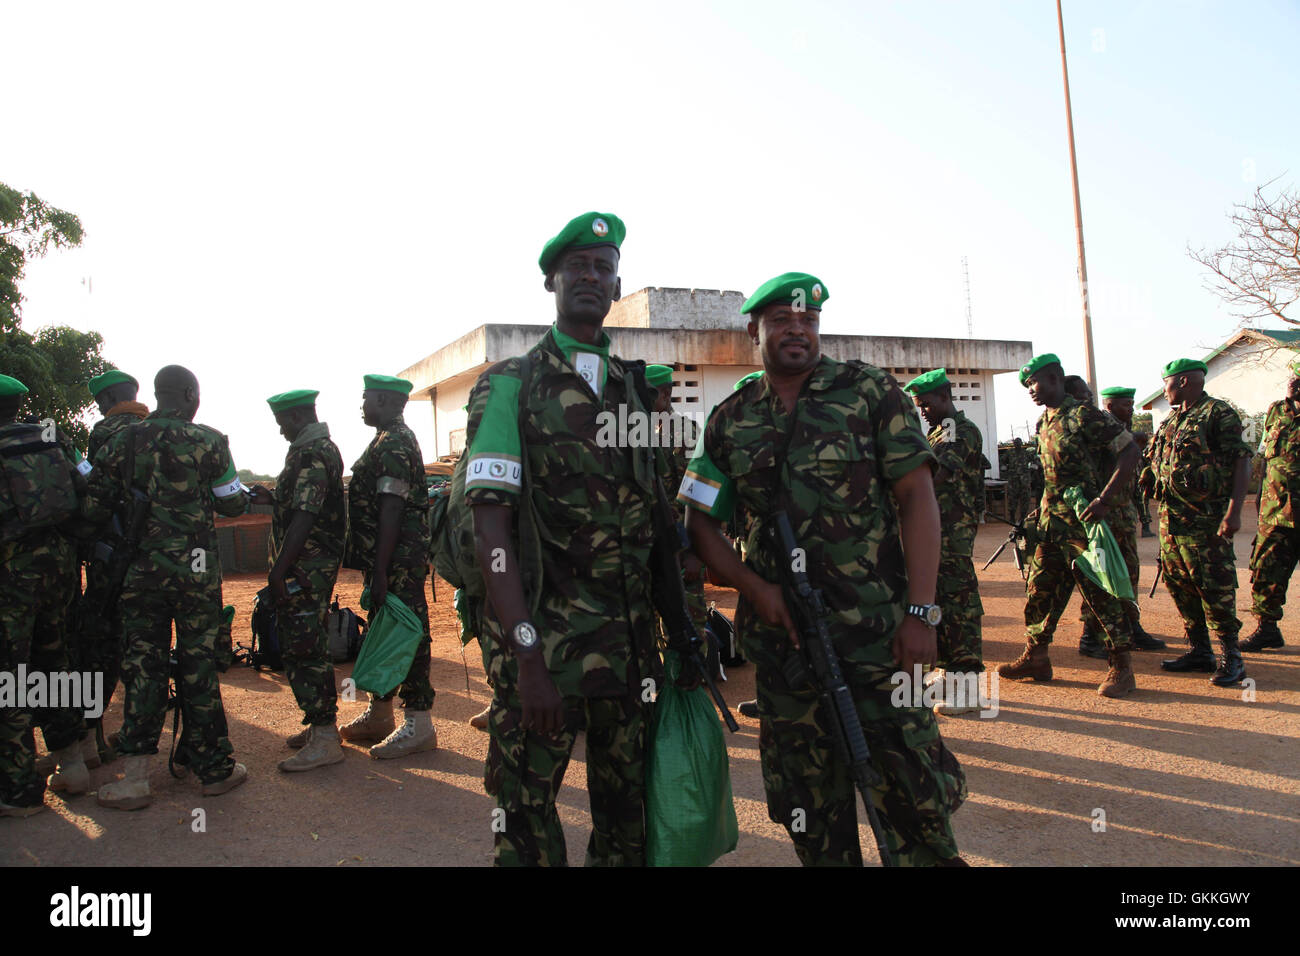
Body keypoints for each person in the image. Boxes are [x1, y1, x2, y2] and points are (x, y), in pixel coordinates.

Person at [681, 271, 966, 866]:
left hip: (879, 636)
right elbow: (700, 524)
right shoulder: (729, 419)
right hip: (787, 645)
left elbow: (918, 499)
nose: (797, 332)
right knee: (808, 803)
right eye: (782, 321)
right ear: (754, 329)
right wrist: (755, 588)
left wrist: (921, 611)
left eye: (808, 321)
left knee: (913, 794)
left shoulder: (868, 391)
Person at [467, 211, 677, 867]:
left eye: (603, 267)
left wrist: (683, 633)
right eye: (577, 266)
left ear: (616, 287)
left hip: (630, 652)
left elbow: (658, 524)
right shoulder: (510, 385)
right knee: (525, 821)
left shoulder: (635, 393)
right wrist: (527, 656)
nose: (591, 276)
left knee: (628, 823)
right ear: (552, 281)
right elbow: (490, 524)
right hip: (545, 650)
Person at [88, 365, 249, 809]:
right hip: (196, 574)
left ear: (158, 396)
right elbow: (233, 503)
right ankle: (215, 769)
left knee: (144, 668)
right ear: (190, 394)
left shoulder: (122, 440)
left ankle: (135, 777)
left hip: (140, 576)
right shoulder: (211, 441)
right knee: (198, 666)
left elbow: (95, 505)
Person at [998, 354, 1140, 698]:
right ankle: (1037, 656)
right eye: (1027, 385)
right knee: (1040, 591)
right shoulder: (1044, 420)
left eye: (1034, 382)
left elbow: (1130, 451)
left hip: (1082, 524)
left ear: (1055, 378)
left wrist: (1104, 500)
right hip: (1050, 524)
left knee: (1099, 594)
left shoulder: (1084, 414)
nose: (1031, 389)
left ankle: (1121, 668)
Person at [0, 374, 91, 816]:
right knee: (55, 661)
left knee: (10, 677)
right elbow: (85, 489)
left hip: (10, 575)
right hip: (57, 568)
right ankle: (72, 764)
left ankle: (18, 790)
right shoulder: (52, 438)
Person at [248, 389, 346, 771]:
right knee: (306, 642)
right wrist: (273, 499)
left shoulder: (310, 452)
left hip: (306, 567)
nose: (280, 432)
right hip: (309, 564)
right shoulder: (317, 449)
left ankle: (324, 734)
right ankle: (321, 726)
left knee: (304, 646)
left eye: (281, 424)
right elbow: (307, 502)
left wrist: (279, 569)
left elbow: (306, 516)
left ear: (294, 418)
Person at [339, 374, 436, 757]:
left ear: (383, 399)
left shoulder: (395, 441)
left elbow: (392, 508)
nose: (361, 406)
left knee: (407, 633)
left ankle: (420, 723)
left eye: (366, 398)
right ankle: (380, 713)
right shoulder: (384, 439)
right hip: (387, 559)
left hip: (397, 560)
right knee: (385, 633)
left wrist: (380, 570)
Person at [1141, 359, 1253, 685]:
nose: (1165, 391)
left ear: (1185, 382)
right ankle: (1199, 651)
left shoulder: (1217, 414)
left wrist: (1233, 512)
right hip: (1171, 522)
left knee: (1214, 587)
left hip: (1206, 521)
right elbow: (1157, 459)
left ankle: (1232, 657)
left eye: (1168, 384)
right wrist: (1150, 475)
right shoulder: (1171, 421)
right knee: (1180, 586)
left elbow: (1242, 460)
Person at [76, 369, 150, 764]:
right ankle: (141, 739)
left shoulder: (103, 433)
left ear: (105, 402)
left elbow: (96, 497)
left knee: (98, 646)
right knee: (145, 649)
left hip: (111, 560)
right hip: (156, 563)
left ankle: (92, 738)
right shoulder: (159, 429)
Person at [904, 368, 987, 716]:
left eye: (926, 404)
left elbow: (937, 476)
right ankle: (950, 674)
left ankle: (967, 687)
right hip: (937, 530)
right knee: (935, 602)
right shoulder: (938, 431)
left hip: (953, 531)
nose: (922, 411)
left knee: (959, 605)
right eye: (918, 406)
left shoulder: (959, 430)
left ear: (944, 397)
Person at [1076, 387, 1166, 657]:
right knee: (1100, 575)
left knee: (1129, 572)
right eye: (1126, 405)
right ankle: (1090, 634)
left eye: (1133, 404)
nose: (1132, 408)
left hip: (1124, 515)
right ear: (1110, 405)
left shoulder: (1128, 432)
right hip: (1104, 515)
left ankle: (1131, 625)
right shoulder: (1101, 430)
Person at [1242, 363, 1300, 651]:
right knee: (1266, 570)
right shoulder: (1277, 410)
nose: (1294, 383)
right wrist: (1260, 492)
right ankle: (1267, 629)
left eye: (1299, 379)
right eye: (1292, 377)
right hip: (1276, 510)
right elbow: (1267, 455)